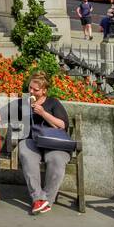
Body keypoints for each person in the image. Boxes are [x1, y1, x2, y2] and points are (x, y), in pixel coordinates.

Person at [17, 73, 71, 215]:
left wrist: (43, 113)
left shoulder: (53, 102)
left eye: (36, 90)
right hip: (31, 140)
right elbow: (3, 113)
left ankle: (45, 200)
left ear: (44, 91)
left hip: (53, 142)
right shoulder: (24, 102)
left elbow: (62, 125)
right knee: (27, 156)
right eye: (30, 88)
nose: (32, 92)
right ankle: (38, 199)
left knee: (57, 160)